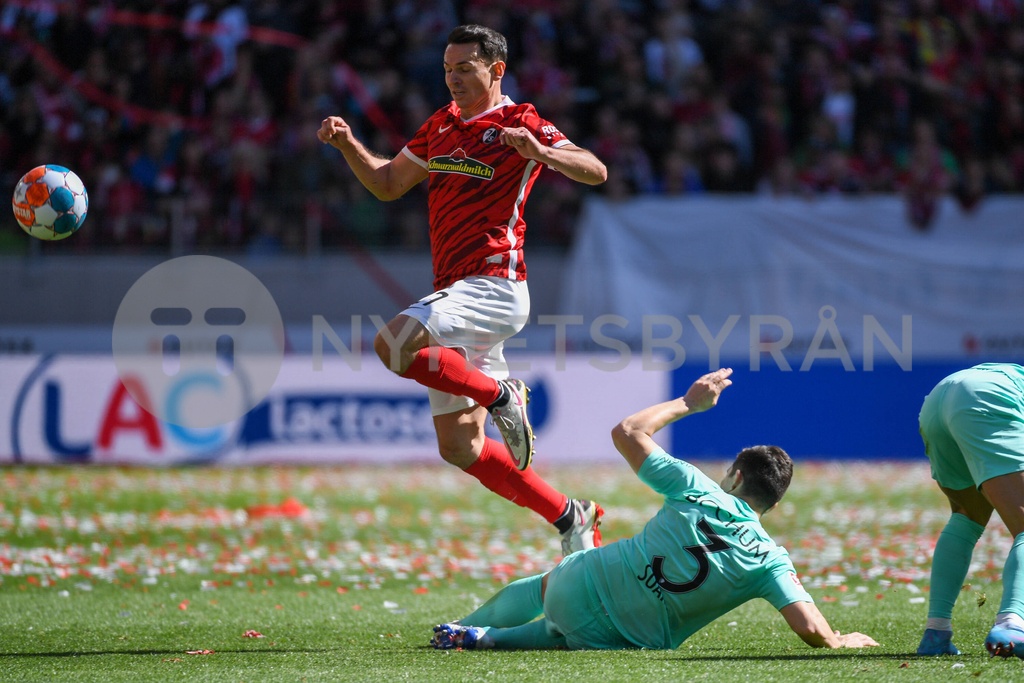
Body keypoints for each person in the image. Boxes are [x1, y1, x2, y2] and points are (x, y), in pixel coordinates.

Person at [316, 24, 608, 554]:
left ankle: (501, 394)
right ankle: (571, 515)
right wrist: (347, 145)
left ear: (496, 70)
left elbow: (596, 170)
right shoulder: (441, 124)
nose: (452, 78)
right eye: (448, 69)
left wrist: (541, 152)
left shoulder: (521, 121)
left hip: (494, 284)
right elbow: (387, 183)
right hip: (457, 291)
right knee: (460, 447)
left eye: (464, 68)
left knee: (393, 344)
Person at [429, 368, 879, 651]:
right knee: (562, 635)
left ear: (736, 477)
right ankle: (488, 640)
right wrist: (840, 641)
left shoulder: (698, 488)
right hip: (625, 636)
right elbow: (810, 628)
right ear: (774, 505)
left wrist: (689, 403)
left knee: (545, 589)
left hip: (580, 582)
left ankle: (467, 627)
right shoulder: (770, 560)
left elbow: (627, 432)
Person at [915, 363, 1024, 658]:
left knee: (967, 517)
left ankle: (936, 632)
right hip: (988, 396)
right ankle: (1012, 623)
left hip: (939, 398)